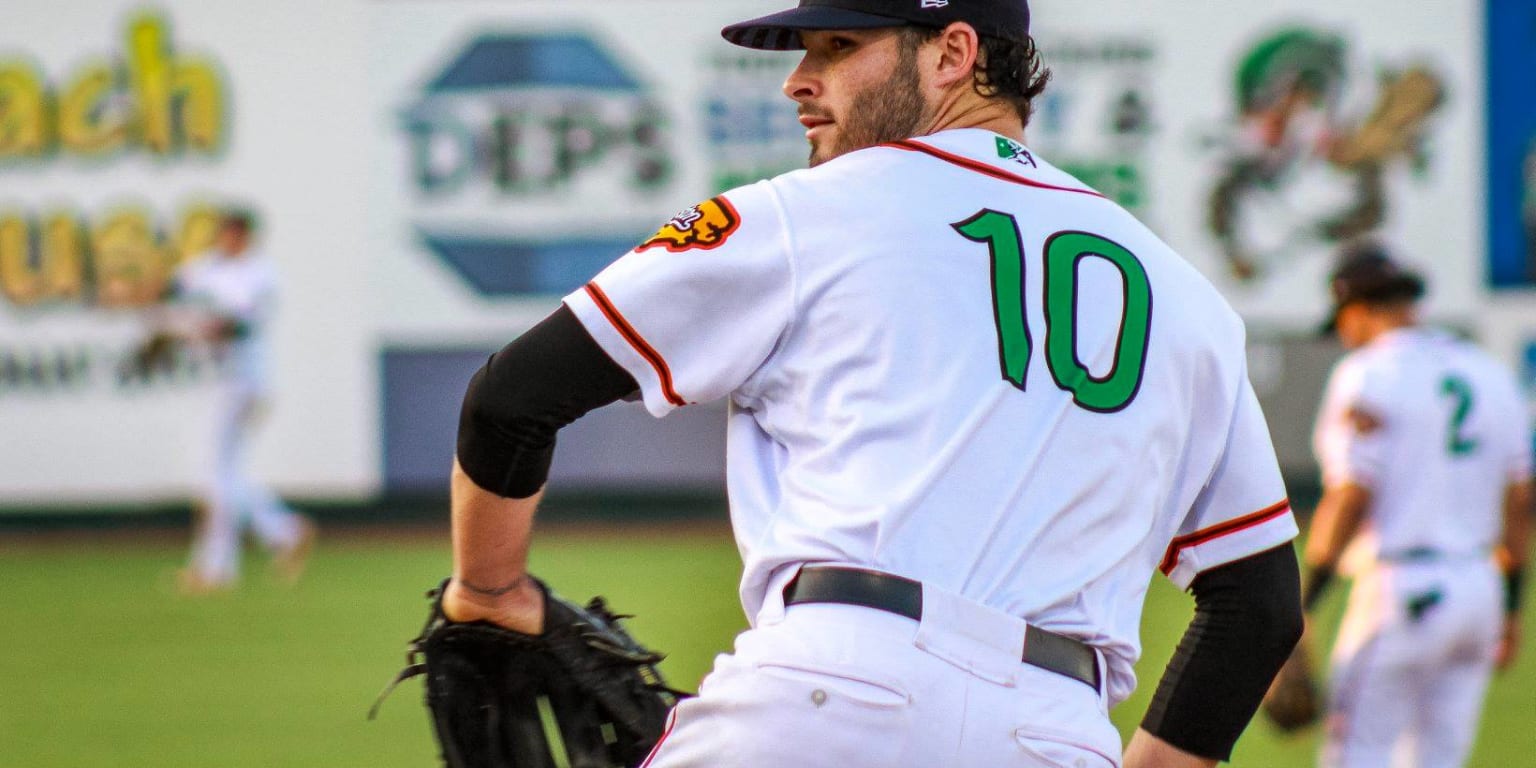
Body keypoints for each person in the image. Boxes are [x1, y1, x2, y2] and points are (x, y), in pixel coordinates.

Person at [440, 2, 1303, 765]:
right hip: (1058, 729)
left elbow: (511, 399)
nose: (798, 81)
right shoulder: (1189, 301)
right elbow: (1257, 608)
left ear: (953, 53)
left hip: (829, 692)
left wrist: (488, 592)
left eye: (838, 45)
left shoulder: (800, 213)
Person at [1304, 244, 1532, 767]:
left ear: (1357, 310)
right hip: (1479, 590)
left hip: (1402, 590)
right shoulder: (1488, 371)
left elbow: (1351, 493)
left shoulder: (1367, 374)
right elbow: (1520, 501)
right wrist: (1512, 606)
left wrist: (1305, 602)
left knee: (1354, 756)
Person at [169, 210, 315, 594]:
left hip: (243, 384)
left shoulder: (259, 274)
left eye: (237, 234)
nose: (230, 239)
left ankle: (216, 567)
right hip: (215, 383)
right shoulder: (206, 269)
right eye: (226, 233)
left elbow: (237, 325)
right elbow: (169, 290)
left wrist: (190, 325)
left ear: (248, 237)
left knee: (214, 474)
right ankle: (284, 530)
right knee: (224, 473)